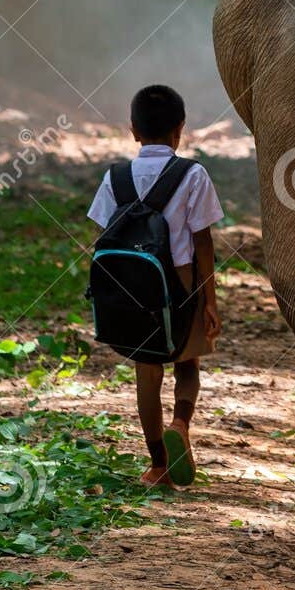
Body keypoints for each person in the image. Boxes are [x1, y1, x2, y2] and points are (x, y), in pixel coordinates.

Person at [88, 84, 223, 487]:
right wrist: (210, 301)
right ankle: (181, 424)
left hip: (133, 285)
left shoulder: (116, 177)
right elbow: (203, 241)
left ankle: (158, 464)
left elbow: (101, 235)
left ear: (133, 129)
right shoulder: (193, 174)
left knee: (147, 373)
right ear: (179, 130)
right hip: (182, 280)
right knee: (188, 362)